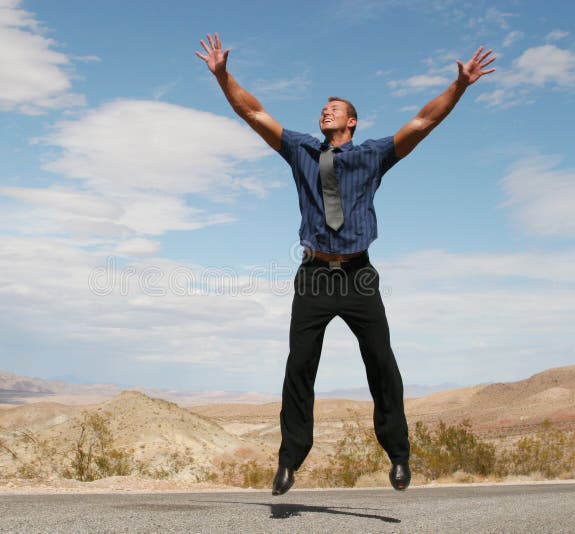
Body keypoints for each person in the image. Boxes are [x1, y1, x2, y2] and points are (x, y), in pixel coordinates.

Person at [196, 33, 495, 495]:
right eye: (322, 108)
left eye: (333, 108)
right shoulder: (301, 150)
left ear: (351, 121)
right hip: (314, 274)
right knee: (299, 366)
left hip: (359, 275)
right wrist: (223, 76)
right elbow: (253, 113)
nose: (325, 111)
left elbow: (422, 122)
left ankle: (398, 455)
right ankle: (290, 461)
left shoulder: (372, 155)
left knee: (382, 362)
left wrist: (459, 87)